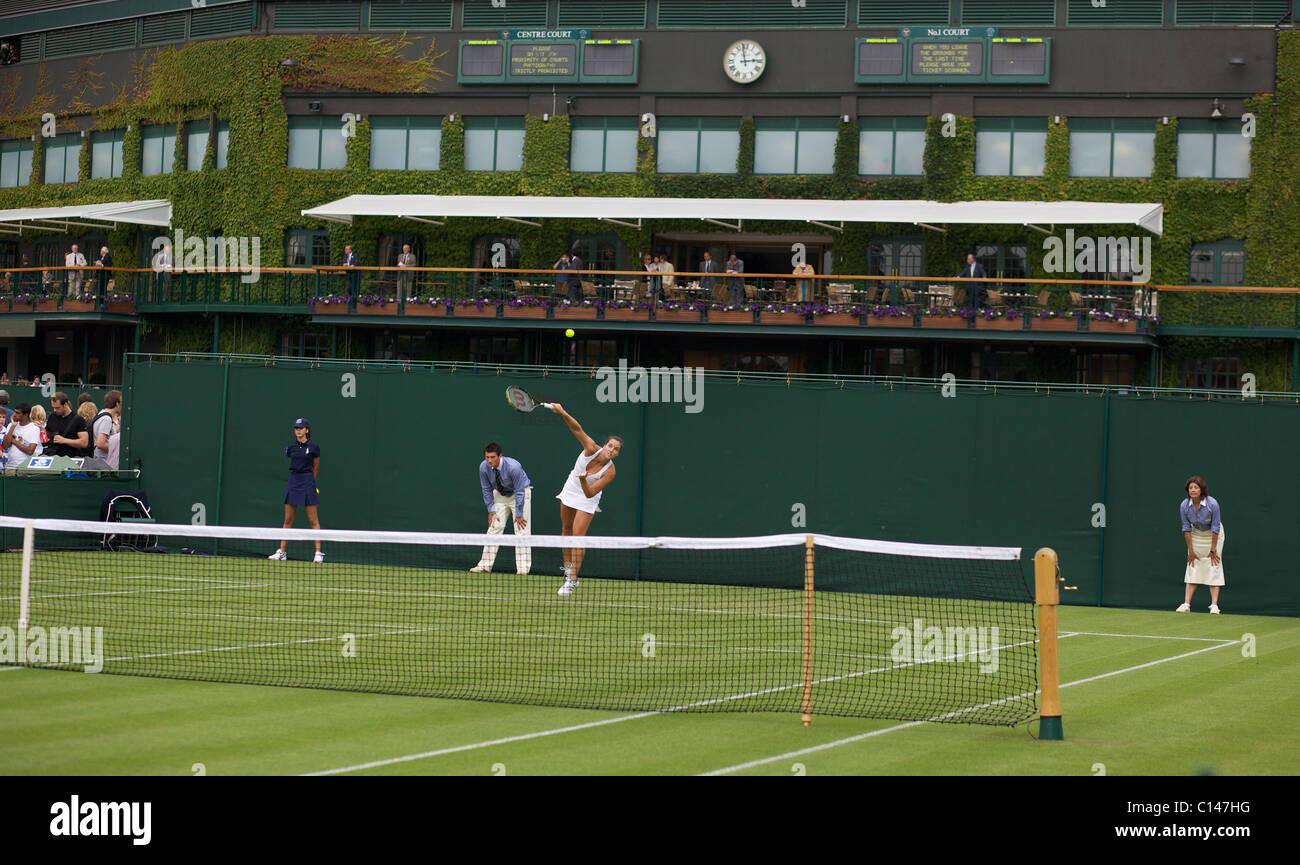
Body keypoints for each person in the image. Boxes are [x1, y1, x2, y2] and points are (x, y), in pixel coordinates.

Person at [550, 403, 623, 598]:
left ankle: (572, 580)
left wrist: (583, 480)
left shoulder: (610, 472)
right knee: (566, 529)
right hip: (571, 488)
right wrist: (563, 411)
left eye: (616, 450)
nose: (611, 450)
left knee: (578, 536)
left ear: (617, 453)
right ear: (605, 445)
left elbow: (590, 494)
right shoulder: (591, 448)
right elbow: (576, 428)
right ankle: (567, 568)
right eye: (610, 446)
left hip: (587, 496)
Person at [470, 443, 533, 575]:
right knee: (494, 527)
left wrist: (519, 513)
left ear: (500, 456)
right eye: (487, 457)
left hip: (519, 494)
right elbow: (486, 489)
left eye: (492, 457)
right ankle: (484, 566)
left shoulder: (514, 467)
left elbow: (520, 491)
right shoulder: (483, 467)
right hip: (500, 495)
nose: (489, 460)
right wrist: (491, 510)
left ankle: (522, 569)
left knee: (521, 530)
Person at [269, 417, 323, 563]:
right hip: (293, 481)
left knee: (313, 519)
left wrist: (311, 481)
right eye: (296, 428)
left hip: (308, 481)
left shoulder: (314, 448)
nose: (298, 430)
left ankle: (318, 553)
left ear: (307, 430)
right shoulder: (290, 448)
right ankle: (282, 552)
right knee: (288, 519)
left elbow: (315, 466)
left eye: (300, 428)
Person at [1177, 476, 1224, 614]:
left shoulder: (1213, 504)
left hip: (1214, 535)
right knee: (1193, 564)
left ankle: (1214, 605)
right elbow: (1186, 528)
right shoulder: (1184, 505)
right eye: (1190, 488)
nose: (1193, 490)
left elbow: (1215, 528)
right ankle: (1186, 604)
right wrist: (1190, 550)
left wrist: (1213, 549)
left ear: (1202, 489)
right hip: (1196, 535)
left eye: (1196, 487)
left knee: (1213, 564)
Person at [46, 391, 89, 457]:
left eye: (57, 408)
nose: (54, 410)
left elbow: (84, 442)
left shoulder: (78, 420)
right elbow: (47, 434)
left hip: (71, 458)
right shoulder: (52, 417)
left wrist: (64, 440)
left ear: (65, 404)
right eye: (53, 407)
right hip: (53, 457)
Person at [1, 403, 41, 473]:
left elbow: (30, 451)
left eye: (18, 413)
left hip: (25, 469)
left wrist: (14, 441)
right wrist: (13, 426)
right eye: (15, 412)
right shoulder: (11, 425)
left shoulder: (34, 429)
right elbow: (5, 446)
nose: (14, 415)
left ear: (25, 415)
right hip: (9, 467)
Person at [92, 390, 121, 462]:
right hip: (104, 463)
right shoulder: (106, 419)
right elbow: (100, 443)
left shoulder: (101, 414)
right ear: (117, 404)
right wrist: (116, 452)